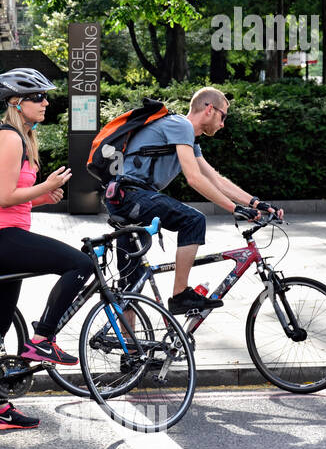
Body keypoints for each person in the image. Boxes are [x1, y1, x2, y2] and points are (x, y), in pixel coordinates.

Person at [105, 87, 281, 313]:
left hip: (125, 197)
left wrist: (256, 203)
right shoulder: (181, 126)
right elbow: (194, 179)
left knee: (131, 282)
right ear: (209, 109)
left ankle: (129, 345)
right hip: (131, 195)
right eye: (223, 116)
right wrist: (233, 208)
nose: (223, 124)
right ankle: (180, 296)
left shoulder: (186, 137)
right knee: (193, 220)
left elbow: (215, 179)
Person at [0, 67, 84, 430]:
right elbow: (6, 197)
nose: (45, 102)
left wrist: (43, 197)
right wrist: (44, 187)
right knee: (80, 264)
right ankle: (42, 338)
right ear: (17, 102)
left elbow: (9, 199)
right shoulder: (8, 138)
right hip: (1, 239)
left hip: (2, 236)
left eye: (45, 96)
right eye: (38, 97)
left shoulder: (23, 138)